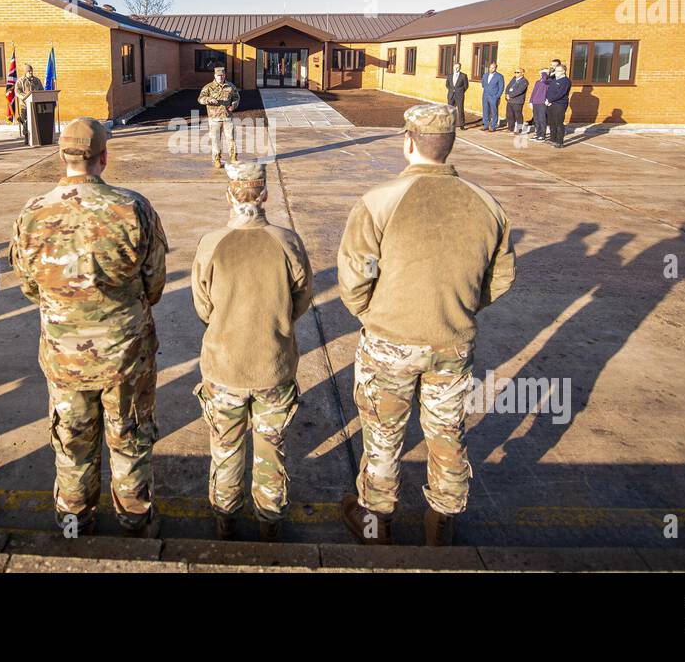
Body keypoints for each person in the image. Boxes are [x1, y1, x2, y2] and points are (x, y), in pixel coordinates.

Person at [338, 103, 515, 546]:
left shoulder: (378, 201)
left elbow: (354, 277)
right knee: (446, 434)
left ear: (408, 142)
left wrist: (372, 314)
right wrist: (457, 308)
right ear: (450, 144)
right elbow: (501, 279)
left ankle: (376, 524)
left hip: (388, 341)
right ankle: (442, 526)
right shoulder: (487, 205)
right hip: (451, 343)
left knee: (381, 434)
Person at [11, 117, 168, 537]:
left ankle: (74, 526)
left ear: (62, 155)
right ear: (103, 156)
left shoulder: (32, 213)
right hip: (125, 355)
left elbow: (29, 286)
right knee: (130, 438)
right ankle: (135, 523)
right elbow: (154, 283)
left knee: (72, 445)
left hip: (65, 357)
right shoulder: (133, 208)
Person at [191, 161, 312, 542]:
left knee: (225, 448)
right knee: (270, 450)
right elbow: (301, 299)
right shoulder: (287, 241)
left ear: (229, 195)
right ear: (265, 195)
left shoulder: (211, 243)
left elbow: (203, 308)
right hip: (272, 367)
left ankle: (225, 519)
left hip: (225, 368)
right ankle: (269, 522)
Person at [197, 65, 239, 168]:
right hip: (214, 119)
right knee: (216, 140)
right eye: (218, 75)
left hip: (227, 117)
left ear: (225, 75)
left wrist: (234, 105)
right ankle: (217, 159)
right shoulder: (209, 87)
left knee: (231, 139)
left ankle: (233, 157)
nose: (220, 77)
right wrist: (208, 100)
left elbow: (236, 97)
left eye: (222, 75)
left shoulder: (230, 86)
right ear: (215, 76)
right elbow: (200, 99)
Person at [544, 63, 571, 148]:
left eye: (558, 71)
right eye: (556, 70)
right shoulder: (554, 79)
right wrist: (547, 100)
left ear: (563, 71)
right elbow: (546, 82)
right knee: (552, 122)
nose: (556, 72)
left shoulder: (565, 81)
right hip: (550, 103)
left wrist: (550, 100)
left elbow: (561, 93)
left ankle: (559, 142)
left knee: (559, 123)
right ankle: (553, 139)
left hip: (559, 104)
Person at [17, 64, 44, 145]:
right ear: (26, 72)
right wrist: (26, 97)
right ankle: (26, 137)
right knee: (26, 122)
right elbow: (17, 92)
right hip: (25, 106)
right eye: (29, 71)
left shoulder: (37, 80)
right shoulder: (21, 81)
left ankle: (36, 137)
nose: (31, 72)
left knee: (35, 121)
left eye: (31, 70)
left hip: (35, 105)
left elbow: (42, 90)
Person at [480, 61, 505, 132]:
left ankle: (493, 126)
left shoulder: (499, 76)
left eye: (493, 68)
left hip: (493, 97)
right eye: (490, 68)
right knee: (485, 111)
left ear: (496, 68)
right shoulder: (485, 75)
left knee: (494, 111)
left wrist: (497, 96)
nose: (491, 69)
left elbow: (501, 87)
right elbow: (483, 84)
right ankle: (486, 125)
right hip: (485, 96)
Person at [504, 67, 529, 134]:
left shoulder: (524, 81)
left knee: (518, 116)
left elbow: (520, 91)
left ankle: (519, 130)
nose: (516, 74)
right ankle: (510, 128)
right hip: (510, 101)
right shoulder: (513, 79)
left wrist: (511, 95)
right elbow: (508, 87)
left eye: (518, 72)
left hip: (517, 101)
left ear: (522, 73)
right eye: (515, 72)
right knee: (510, 115)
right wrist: (506, 94)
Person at [445, 61, 469, 129]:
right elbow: (447, 85)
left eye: (458, 67)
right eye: (455, 67)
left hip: (459, 95)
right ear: (453, 67)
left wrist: (460, 91)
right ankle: (450, 123)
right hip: (451, 95)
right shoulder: (449, 76)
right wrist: (451, 90)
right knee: (450, 110)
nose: (456, 69)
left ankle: (462, 124)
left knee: (460, 109)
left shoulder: (463, 76)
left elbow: (466, 86)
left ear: (460, 68)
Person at [529, 68, 550, 142]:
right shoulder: (537, 82)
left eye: (543, 73)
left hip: (542, 102)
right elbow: (533, 92)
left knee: (542, 119)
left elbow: (545, 80)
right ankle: (538, 134)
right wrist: (531, 101)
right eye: (541, 73)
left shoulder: (547, 81)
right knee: (536, 119)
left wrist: (545, 73)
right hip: (535, 102)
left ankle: (542, 135)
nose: (541, 74)